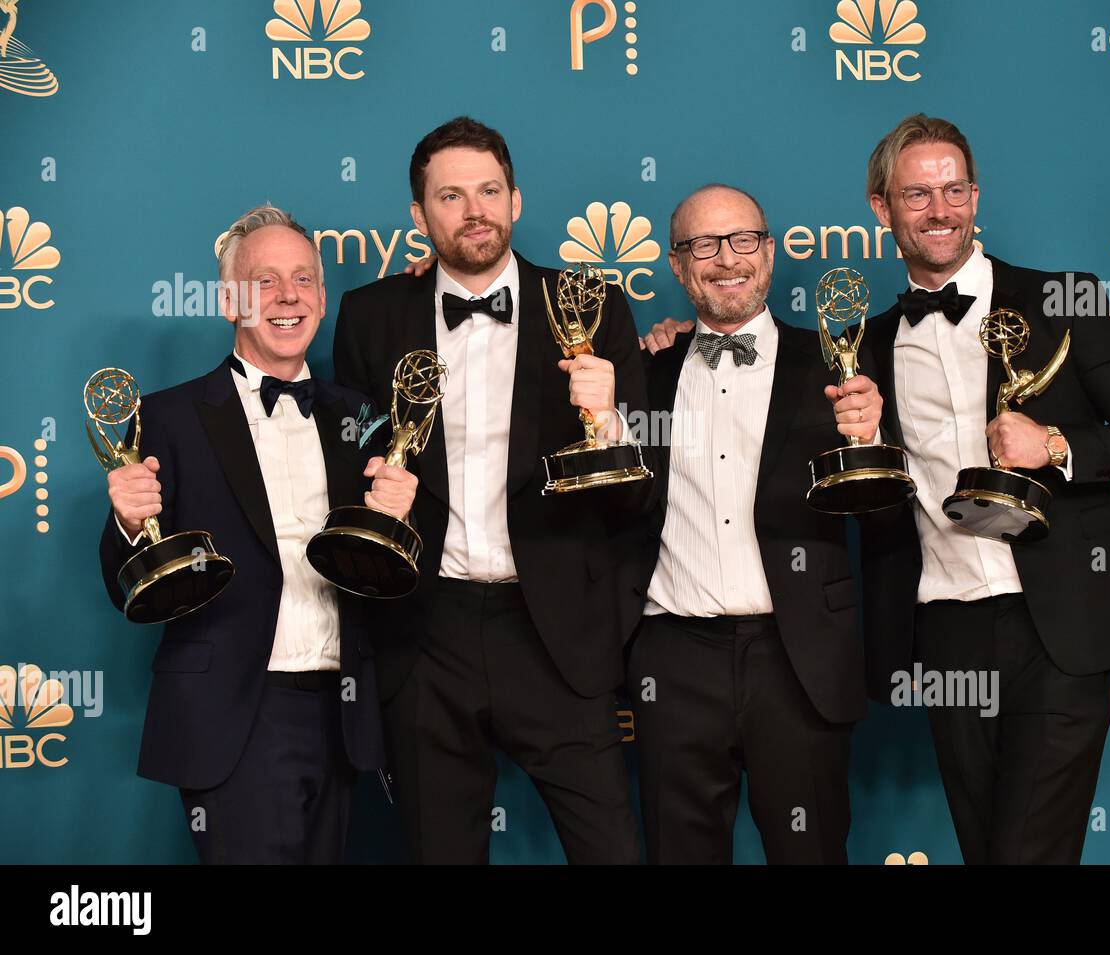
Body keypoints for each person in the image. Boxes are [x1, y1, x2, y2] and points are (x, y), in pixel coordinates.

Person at [838, 113, 1110, 863]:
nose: (941, 210)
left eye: (954, 189)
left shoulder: (1064, 298)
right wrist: (666, 341)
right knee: (987, 846)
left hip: (1061, 622)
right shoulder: (861, 345)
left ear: (976, 194)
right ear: (881, 208)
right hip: (943, 628)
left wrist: (1056, 444)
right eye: (917, 195)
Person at [333, 116, 647, 864]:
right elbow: (349, 457)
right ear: (419, 215)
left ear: (515, 200)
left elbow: (638, 498)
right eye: (450, 195)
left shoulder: (589, 305)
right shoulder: (371, 315)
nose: (473, 210)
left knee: (612, 850)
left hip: (555, 631)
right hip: (425, 630)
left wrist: (607, 423)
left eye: (488, 191)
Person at [99, 205, 413, 863]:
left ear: (323, 297)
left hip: (342, 711)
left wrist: (396, 519)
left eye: (303, 278)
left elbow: (386, 573)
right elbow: (122, 581)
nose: (288, 296)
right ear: (229, 298)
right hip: (235, 711)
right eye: (265, 280)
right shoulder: (168, 416)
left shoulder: (360, 417)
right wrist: (131, 523)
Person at [631, 184, 881, 863]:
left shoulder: (840, 363)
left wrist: (871, 434)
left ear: (769, 254)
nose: (725, 258)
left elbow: (887, 507)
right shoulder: (643, 371)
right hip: (672, 659)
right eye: (702, 245)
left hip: (797, 656)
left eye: (743, 239)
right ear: (678, 266)